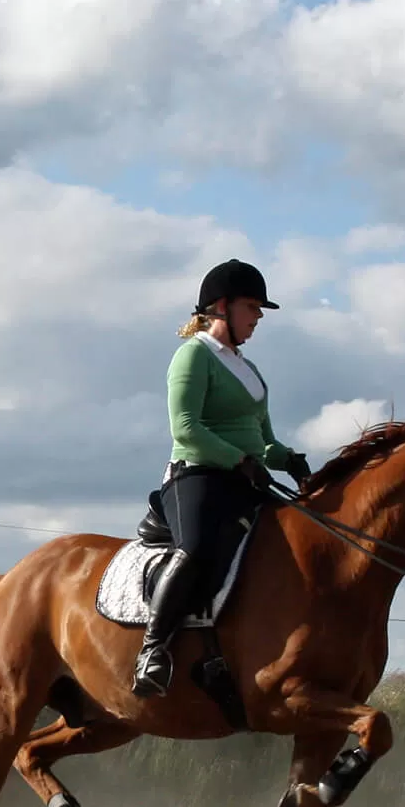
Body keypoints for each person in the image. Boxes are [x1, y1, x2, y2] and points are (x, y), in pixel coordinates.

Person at [132, 259, 311, 697]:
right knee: (194, 550)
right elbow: (186, 428)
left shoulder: (248, 369)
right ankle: (152, 651)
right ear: (221, 307)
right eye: (252, 307)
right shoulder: (193, 355)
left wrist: (289, 460)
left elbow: (263, 441)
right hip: (196, 475)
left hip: (243, 480)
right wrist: (237, 459)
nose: (259, 317)